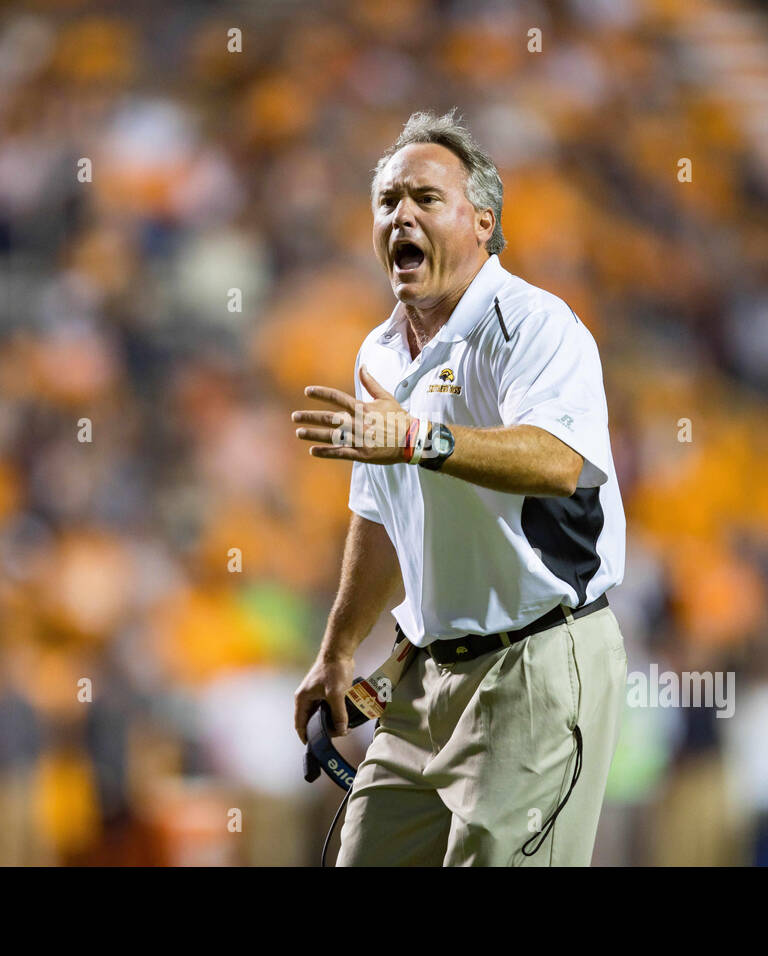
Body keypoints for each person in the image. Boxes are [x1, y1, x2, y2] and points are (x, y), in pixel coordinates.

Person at [292, 109, 627, 866]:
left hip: (536, 663)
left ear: (483, 222)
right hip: (424, 676)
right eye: (387, 201)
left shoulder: (537, 325)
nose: (401, 215)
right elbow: (378, 515)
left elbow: (557, 460)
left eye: (425, 198)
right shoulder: (379, 349)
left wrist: (416, 437)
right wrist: (338, 651)